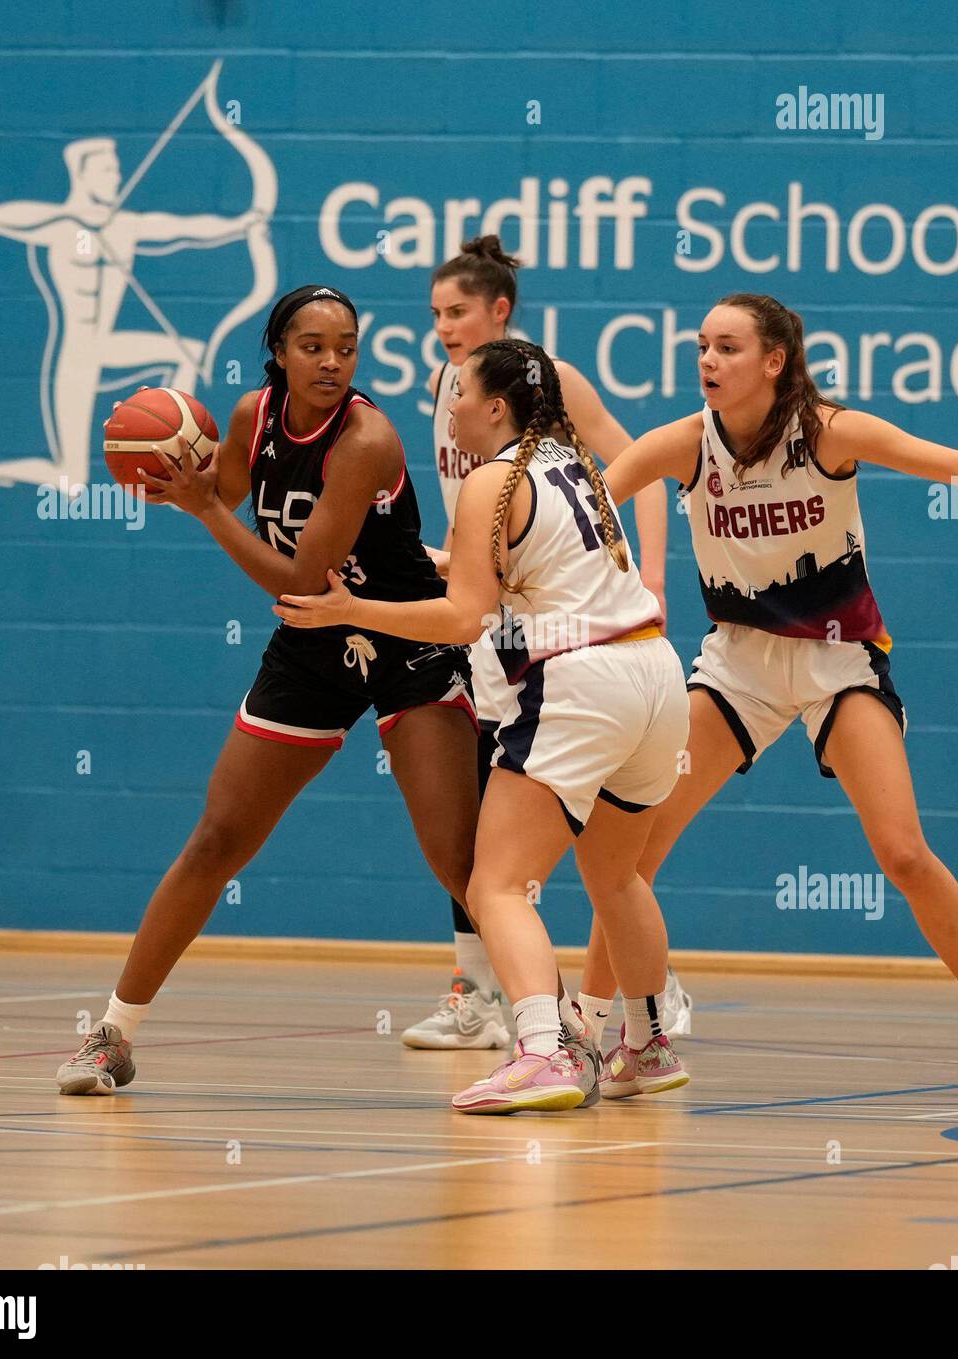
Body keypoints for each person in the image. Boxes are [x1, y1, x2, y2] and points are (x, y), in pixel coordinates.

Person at [586, 291, 958, 1097]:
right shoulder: (685, 442)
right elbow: (587, 501)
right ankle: (595, 1029)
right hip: (737, 664)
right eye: (702, 346)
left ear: (775, 360)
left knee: (903, 852)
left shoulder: (829, 431)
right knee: (628, 859)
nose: (707, 360)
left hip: (837, 659)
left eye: (728, 347)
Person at [55, 285, 481, 1094]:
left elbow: (294, 579)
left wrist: (205, 512)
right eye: (313, 346)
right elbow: (219, 496)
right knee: (217, 838)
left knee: (460, 862)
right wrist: (174, 473)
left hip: (402, 639)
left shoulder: (366, 439)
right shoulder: (254, 418)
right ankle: (113, 1033)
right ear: (279, 353)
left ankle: (557, 1028)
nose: (332, 361)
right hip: (312, 650)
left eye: (346, 347)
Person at [277, 340, 692, 1112]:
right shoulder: (570, 465)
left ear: (497, 407)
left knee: (495, 882)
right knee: (617, 876)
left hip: (580, 683)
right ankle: (647, 1041)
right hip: (655, 677)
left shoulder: (490, 481)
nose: (450, 405)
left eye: (461, 392)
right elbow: (515, 573)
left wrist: (349, 609)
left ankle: (546, 1050)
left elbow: (465, 616)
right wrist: (436, 560)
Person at [400, 234, 693, 1051]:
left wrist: (652, 578)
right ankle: (584, 1016)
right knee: (530, 841)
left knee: (503, 863)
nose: (444, 327)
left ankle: (548, 1040)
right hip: (523, 628)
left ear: (500, 311)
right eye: (434, 315)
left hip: (559, 641)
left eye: (457, 311)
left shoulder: (543, 387)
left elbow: (642, 465)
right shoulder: (447, 392)